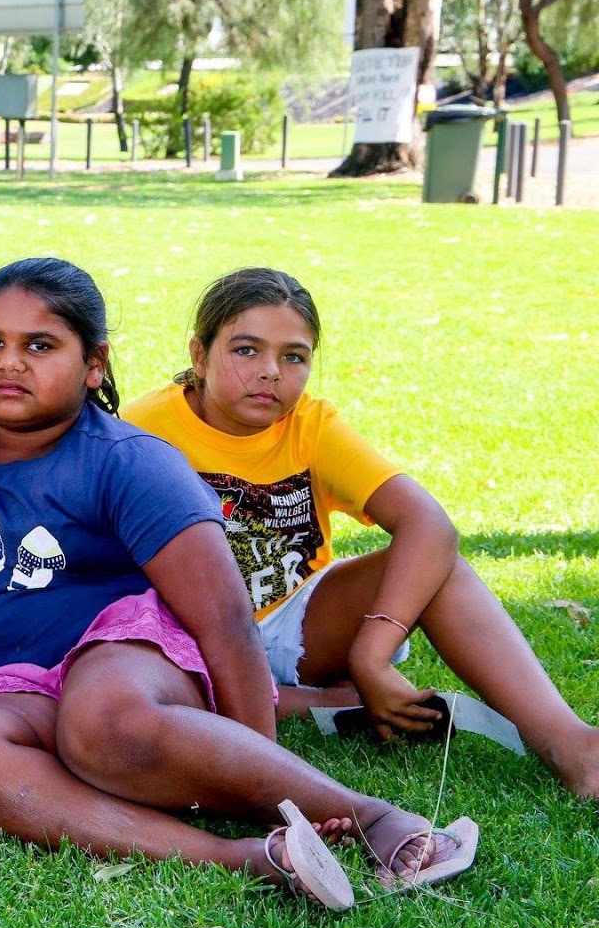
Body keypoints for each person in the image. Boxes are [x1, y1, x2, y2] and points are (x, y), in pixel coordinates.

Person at [0, 257, 477, 907]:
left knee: (99, 716)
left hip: (132, 657)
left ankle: (372, 816)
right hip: (17, 683)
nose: (10, 362)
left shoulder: (131, 463)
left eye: (41, 345)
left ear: (94, 365)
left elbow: (227, 625)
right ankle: (247, 860)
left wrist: (268, 787)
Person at [122, 266, 599, 798]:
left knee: (441, 568)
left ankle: (571, 743)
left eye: (294, 357)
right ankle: (322, 702)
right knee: (131, 675)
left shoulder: (312, 425)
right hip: (188, 634)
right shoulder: (142, 429)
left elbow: (429, 524)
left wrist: (372, 649)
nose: (271, 373)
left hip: (293, 620)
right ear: (198, 355)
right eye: (246, 350)